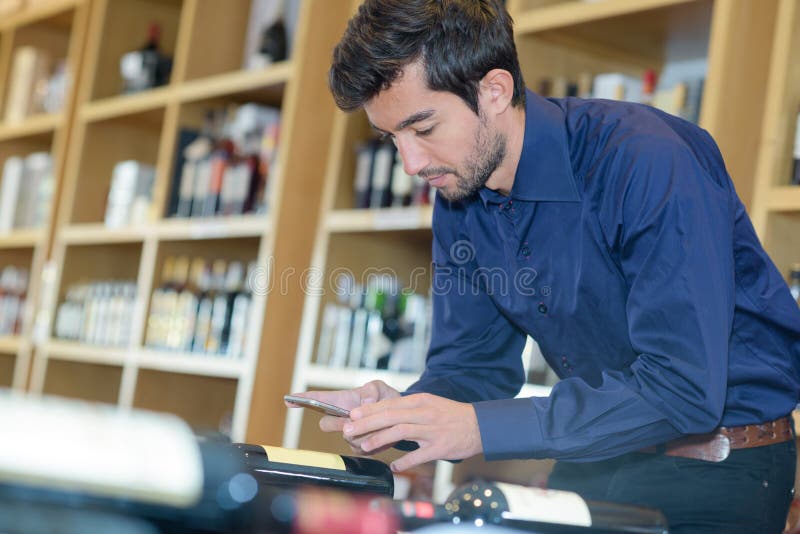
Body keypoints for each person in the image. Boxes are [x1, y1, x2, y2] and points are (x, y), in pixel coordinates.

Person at [287, 0, 800, 531]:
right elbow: (473, 369)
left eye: (425, 128)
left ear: (494, 90)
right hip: (594, 455)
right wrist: (402, 414)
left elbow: (682, 388)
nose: (411, 164)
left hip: (719, 463)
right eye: (392, 138)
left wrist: (478, 428)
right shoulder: (458, 197)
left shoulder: (645, 159)